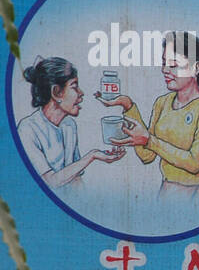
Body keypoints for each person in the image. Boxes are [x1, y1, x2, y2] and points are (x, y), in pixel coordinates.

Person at [104, 32, 199, 202]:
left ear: (195, 68)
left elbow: (194, 164)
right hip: (167, 193)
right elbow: (147, 156)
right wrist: (129, 107)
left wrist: (149, 140)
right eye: (163, 63)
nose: (164, 70)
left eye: (173, 65)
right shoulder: (162, 102)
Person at [17, 56, 124, 188]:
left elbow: (75, 179)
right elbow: (49, 182)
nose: (81, 93)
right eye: (74, 87)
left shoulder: (69, 125)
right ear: (56, 92)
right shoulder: (27, 129)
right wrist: (92, 156)